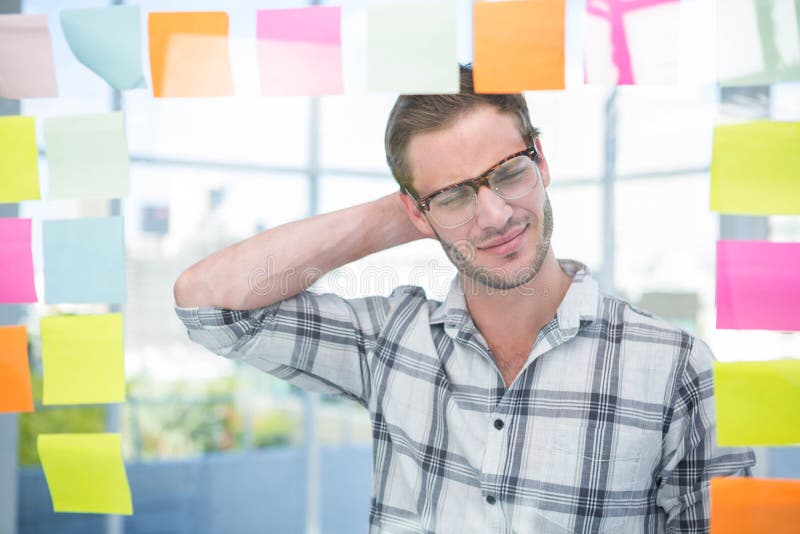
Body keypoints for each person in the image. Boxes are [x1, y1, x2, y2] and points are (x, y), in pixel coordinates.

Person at [173, 65, 755, 533]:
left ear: (542, 162)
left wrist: (446, 199)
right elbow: (209, 304)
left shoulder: (678, 365)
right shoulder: (390, 341)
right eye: (453, 196)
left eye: (508, 173)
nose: (497, 215)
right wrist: (413, 212)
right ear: (415, 212)